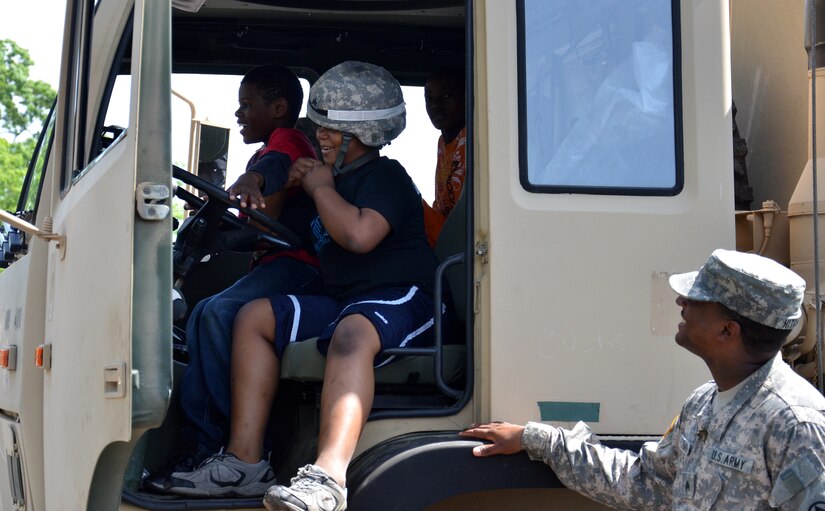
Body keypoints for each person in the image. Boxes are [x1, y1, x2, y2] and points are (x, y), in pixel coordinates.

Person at [160, 61, 450, 510]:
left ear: (363, 135)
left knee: (351, 333)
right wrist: (263, 178)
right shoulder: (328, 171)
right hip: (344, 299)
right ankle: (245, 462)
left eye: (331, 131)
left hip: (404, 298)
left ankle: (327, 479)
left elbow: (358, 234)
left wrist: (318, 188)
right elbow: (281, 160)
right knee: (253, 316)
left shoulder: (384, 177)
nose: (321, 137)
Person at [461, 249, 825, 509]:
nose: (682, 302)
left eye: (697, 299)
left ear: (728, 331)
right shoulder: (703, 403)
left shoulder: (797, 426)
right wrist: (535, 439)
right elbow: (645, 484)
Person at [151, 64, 322, 484]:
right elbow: (264, 220)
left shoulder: (290, 141)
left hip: (301, 269)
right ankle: (199, 441)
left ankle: (210, 445)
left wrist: (251, 178)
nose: (238, 114)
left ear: (278, 107)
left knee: (218, 313)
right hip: (275, 262)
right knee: (206, 309)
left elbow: (278, 168)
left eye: (247, 105)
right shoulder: (266, 148)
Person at [422, 67, 466, 246]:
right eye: (429, 98)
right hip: (446, 232)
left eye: (447, 95)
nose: (435, 105)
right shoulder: (444, 141)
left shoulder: (476, 138)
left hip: (462, 237)